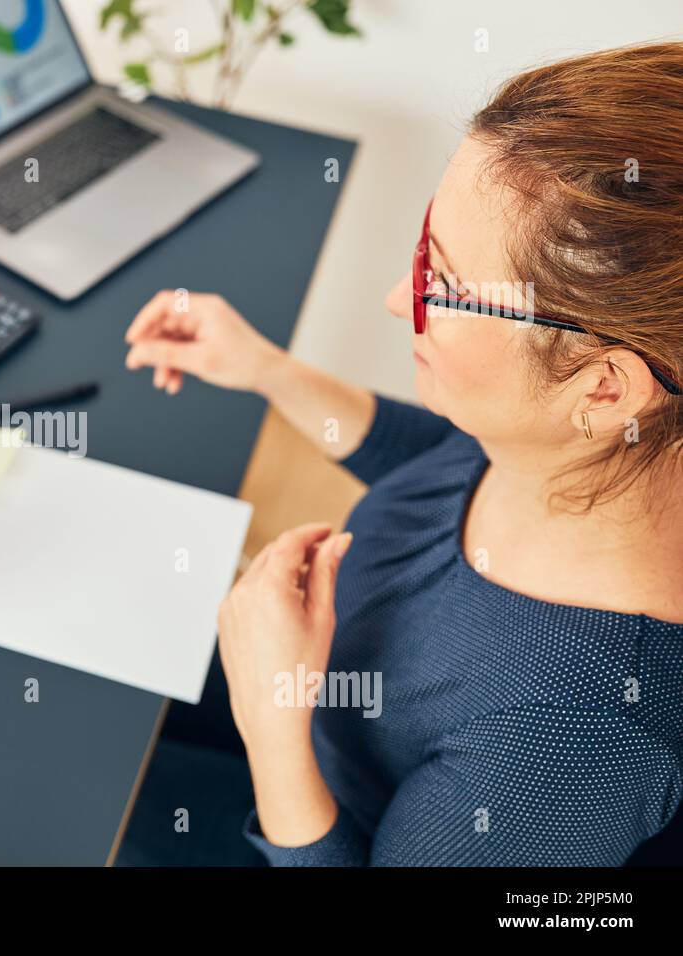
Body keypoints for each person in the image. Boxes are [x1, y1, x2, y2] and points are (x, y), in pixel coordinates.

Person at [122, 42, 683, 865]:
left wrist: (275, 727)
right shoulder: (602, 453)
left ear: (603, 389)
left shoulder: (568, 743)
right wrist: (265, 370)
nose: (398, 299)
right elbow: (447, 462)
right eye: (427, 246)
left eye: (444, 287)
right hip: (312, 692)